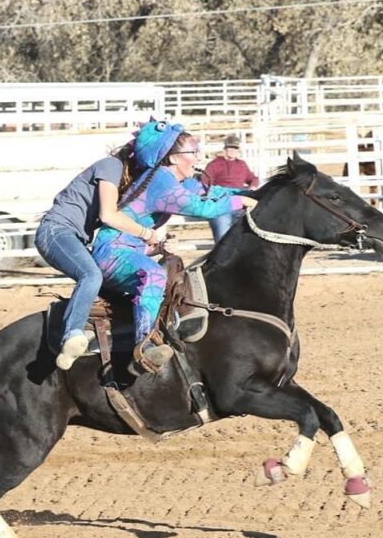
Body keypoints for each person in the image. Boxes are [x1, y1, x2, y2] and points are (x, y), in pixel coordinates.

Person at [92, 120, 254, 376]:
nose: (198, 157)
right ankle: (143, 347)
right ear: (175, 158)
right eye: (193, 152)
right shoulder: (162, 182)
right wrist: (242, 201)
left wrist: (256, 193)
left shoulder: (176, 179)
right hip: (113, 251)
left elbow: (210, 192)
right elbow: (203, 208)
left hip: (131, 248)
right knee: (154, 276)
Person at [35, 141, 160, 371]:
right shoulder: (111, 166)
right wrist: (147, 234)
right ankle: (72, 334)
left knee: (107, 281)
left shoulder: (115, 176)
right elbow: (109, 216)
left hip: (72, 237)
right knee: (91, 275)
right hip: (56, 231)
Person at [201, 134, 259, 242]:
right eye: (230, 148)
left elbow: (252, 178)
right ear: (225, 149)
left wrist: (253, 186)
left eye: (235, 148)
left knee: (245, 237)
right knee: (222, 239)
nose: (233, 151)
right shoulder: (214, 164)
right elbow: (205, 182)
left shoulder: (242, 165)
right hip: (222, 205)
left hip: (239, 205)